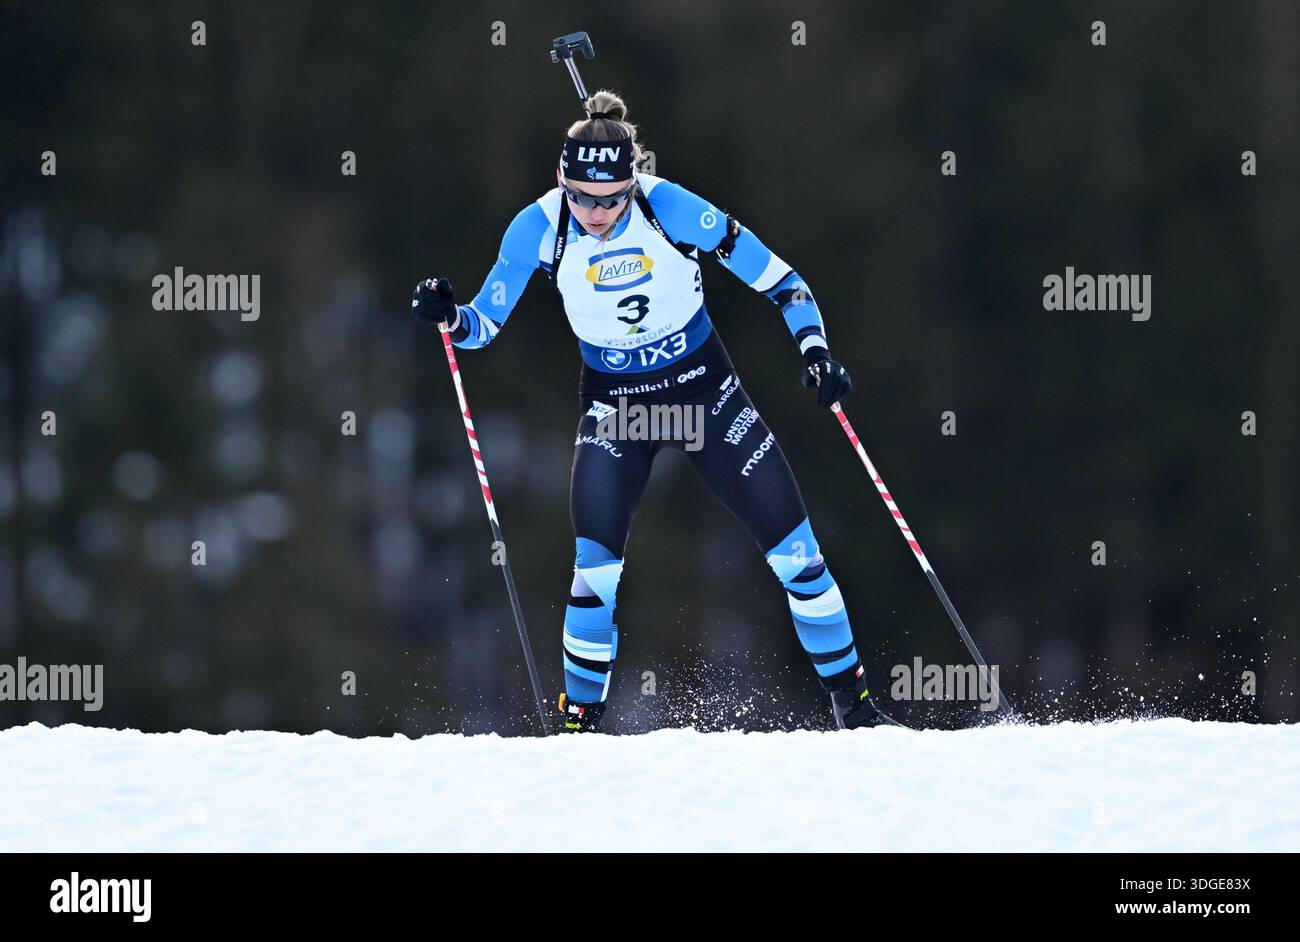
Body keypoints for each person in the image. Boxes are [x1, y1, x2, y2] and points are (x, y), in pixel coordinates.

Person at [413, 90, 891, 732]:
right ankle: (580, 723)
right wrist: (449, 317)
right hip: (617, 412)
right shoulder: (537, 227)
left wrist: (816, 352)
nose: (594, 213)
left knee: (797, 559)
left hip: (704, 396)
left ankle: (855, 711)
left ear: (633, 184)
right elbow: (482, 326)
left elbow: (784, 282)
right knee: (595, 574)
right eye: (580, 196)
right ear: (562, 181)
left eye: (610, 200)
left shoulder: (670, 209)